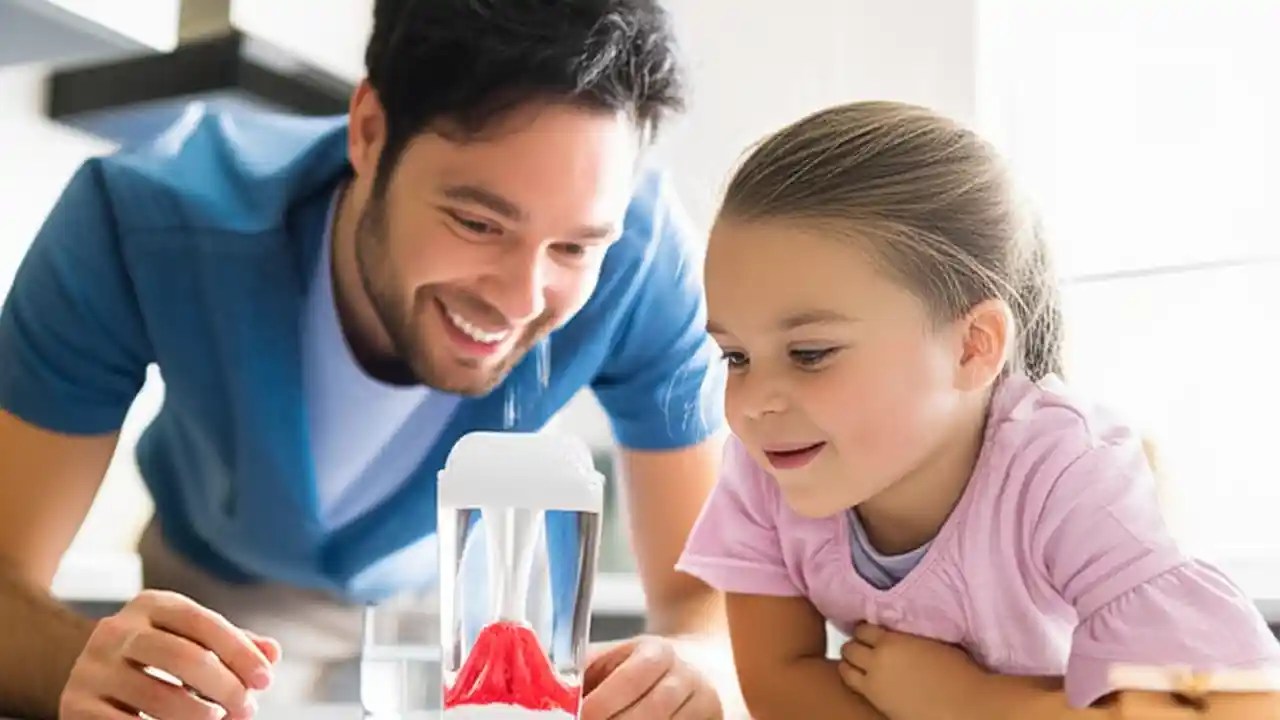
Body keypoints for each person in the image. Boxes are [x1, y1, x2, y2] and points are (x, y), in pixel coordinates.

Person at [0, 1, 733, 718]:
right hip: (226, 608)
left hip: (469, 599)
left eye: (574, 247)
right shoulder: (138, 223)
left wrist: (697, 661)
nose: (519, 298)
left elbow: (704, 596)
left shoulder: (644, 264)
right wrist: (91, 666)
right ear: (370, 131)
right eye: (478, 222)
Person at [674, 100, 1280, 719]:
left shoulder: (1066, 472)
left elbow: (1236, 712)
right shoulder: (768, 467)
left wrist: (969, 703)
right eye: (736, 357)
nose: (751, 406)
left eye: (809, 353)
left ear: (972, 347)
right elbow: (779, 684)